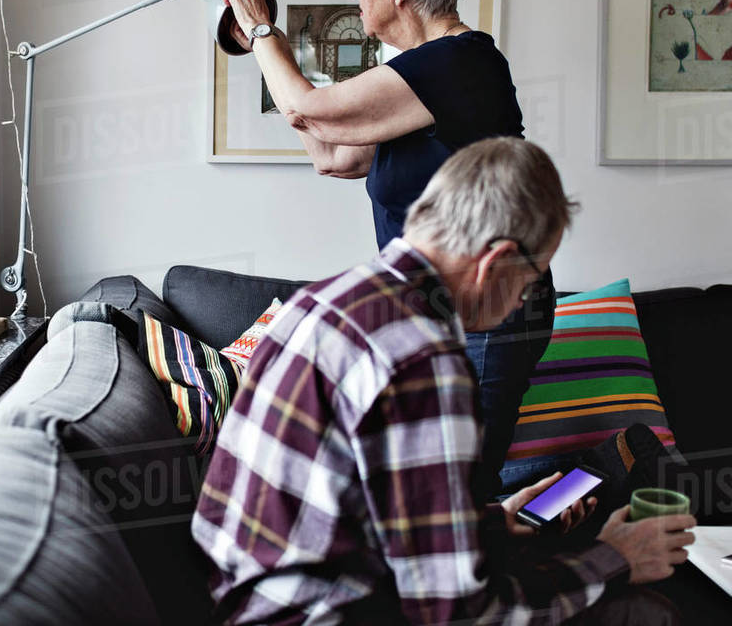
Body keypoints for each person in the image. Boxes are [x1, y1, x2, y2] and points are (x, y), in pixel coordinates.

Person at [192, 138, 693, 625]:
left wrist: (492, 522)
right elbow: (458, 614)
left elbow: (365, 519)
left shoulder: (323, 301)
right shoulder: (422, 357)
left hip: (247, 601)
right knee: (644, 610)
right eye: (532, 280)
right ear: (494, 263)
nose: (523, 302)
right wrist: (615, 559)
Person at [222, 0, 549, 499]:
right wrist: (264, 51)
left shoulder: (459, 64)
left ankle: (488, 580)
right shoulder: (424, 76)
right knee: (422, 484)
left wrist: (265, 31)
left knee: (453, 488)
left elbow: (308, 109)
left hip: (487, 312)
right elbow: (331, 155)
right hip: (434, 314)